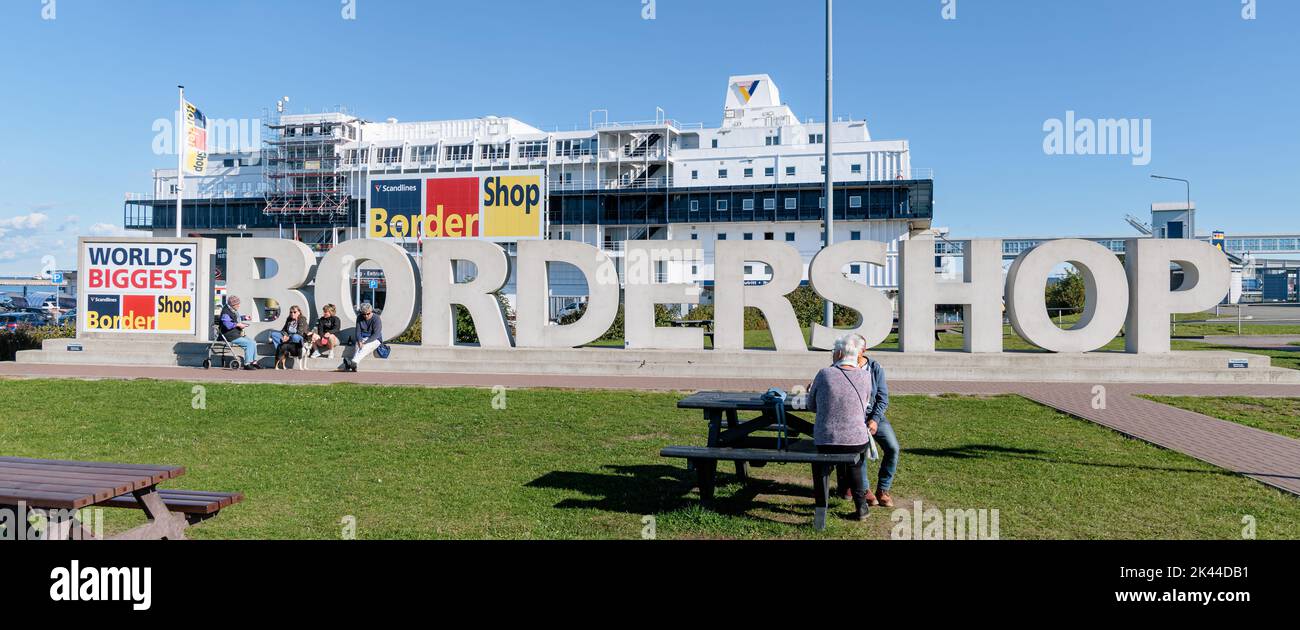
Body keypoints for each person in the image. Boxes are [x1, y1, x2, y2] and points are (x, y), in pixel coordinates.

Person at [807, 333, 874, 520]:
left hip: (826, 438)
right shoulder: (866, 376)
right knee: (856, 465)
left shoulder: (824, 374)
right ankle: (861, 507)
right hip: (856, 439)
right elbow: (865, 403)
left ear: (838, 353)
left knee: (821, 465)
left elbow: (811, 406)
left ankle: (821, 510)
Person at [855, 341, 899, 508]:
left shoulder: (875, 368)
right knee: (861, 449)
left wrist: (874, 419)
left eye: (854, 349)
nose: (850, 352)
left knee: (893, 448)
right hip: (854, 418)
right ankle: (865, 489)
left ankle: (883, 489)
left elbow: (882, 398)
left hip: (874, 416)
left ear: (863, 350)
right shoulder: (842, 365)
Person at [218, 295, 260, 370]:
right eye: (237, 304)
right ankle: (247, 364)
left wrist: (244, 317)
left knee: (253, 342)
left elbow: (235, 318)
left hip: (236, 333)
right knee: (249, 344)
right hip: (229, 335)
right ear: (233, 304)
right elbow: (227, 324)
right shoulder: (225, 312)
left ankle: (254, 362)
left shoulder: (232, 310)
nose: (239, 305)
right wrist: (238, 324)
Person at [340, 302, 382, 372]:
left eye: (368, 314)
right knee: (358, 347)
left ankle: (353, 362)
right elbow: (358, 331)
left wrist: (365, 342)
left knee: (365, 347)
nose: (366, 316)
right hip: (363, 338)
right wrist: (359, 341)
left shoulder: (376, 318)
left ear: (371, 311)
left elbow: (376, 334)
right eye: (364, 314)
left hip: (375, 339)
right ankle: (354, 365)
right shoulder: (359, 317)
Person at [272, 305, 308, 370]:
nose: (292, 314)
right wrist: (285, 335)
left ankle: (293, 352)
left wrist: (289, 337)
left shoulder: (302, 319)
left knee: (295, 336)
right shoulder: (289, 319)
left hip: (298, 338)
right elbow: (284, 330)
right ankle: (282, 352)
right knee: (274, 334)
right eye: (291, 312)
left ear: (299, 312)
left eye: (294, 312)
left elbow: (300, 332)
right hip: (288, 337)